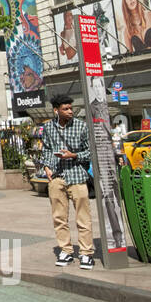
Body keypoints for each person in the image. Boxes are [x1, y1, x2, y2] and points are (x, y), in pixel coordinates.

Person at [40, 94, 95, 268]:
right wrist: (47, 166)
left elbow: (91, 151)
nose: (70, 111)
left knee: (83, 217)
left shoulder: (81, 126)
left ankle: (86, 253)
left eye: (71, 108)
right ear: (56, 110)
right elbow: (47, 149)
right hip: (57, 176)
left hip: (77, 175)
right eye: (66, 109)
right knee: (59, 217)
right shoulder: (48, 128)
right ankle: (66, 250)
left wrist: (75, 155)